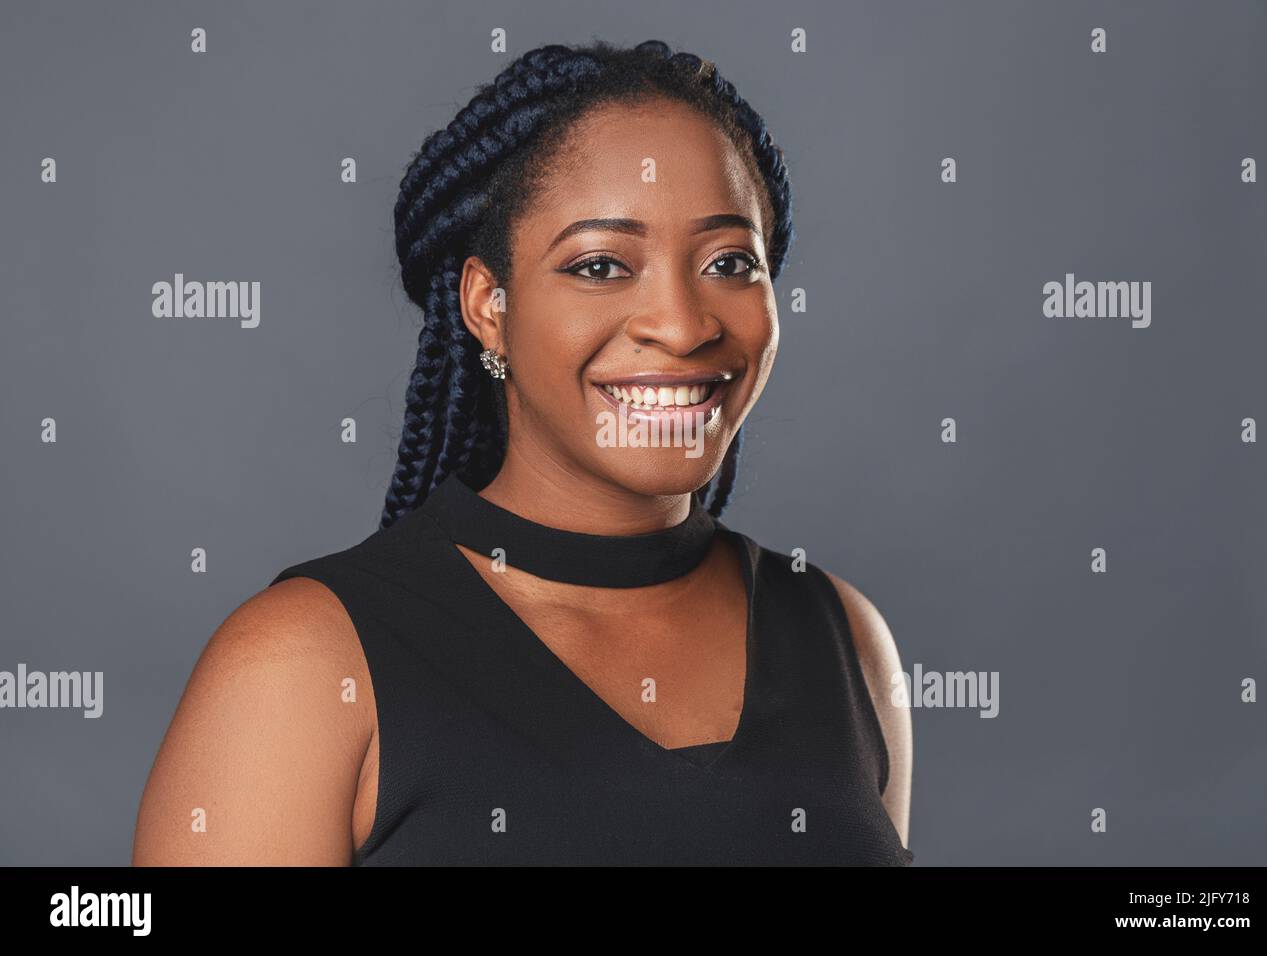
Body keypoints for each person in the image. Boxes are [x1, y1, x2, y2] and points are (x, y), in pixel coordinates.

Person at [133, 39, 913, 866]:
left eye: (729, 262)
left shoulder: (844, 640)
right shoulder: (303, 665)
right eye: (602, 265)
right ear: (488, 307)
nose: (683, 326)